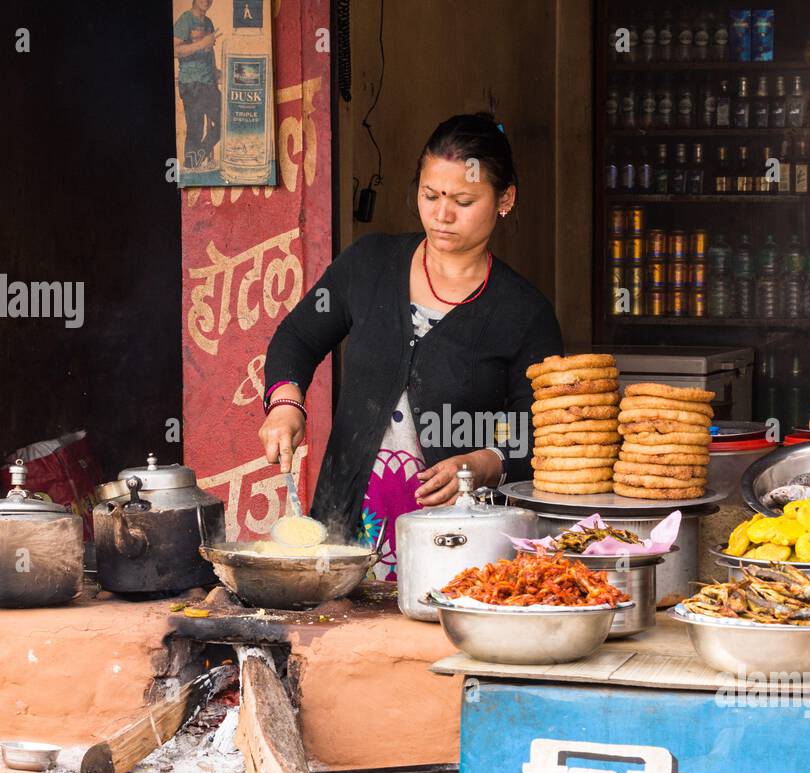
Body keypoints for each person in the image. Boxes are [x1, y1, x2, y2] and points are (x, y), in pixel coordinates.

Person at [261, 113, 564, 580]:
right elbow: (297, 337)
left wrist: (484, 462)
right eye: (430, 195)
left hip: (463, 547)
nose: (442, 215)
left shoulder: (524, 313)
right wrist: (285, 403)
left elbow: (541, 428)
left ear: (505, 200)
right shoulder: (370, 264)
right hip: (345, 536)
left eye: (463, 201)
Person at [173, 0, 222, 172]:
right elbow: (175, 50)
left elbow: (210, 51)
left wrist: (215, 71)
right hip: (191, 83)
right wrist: (202, 44)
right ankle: (192, 167)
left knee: (224, 123)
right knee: (195, 130)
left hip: (209, 82)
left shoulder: (208, 23)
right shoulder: (185, 20)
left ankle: (197, 158)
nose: (206, 1)